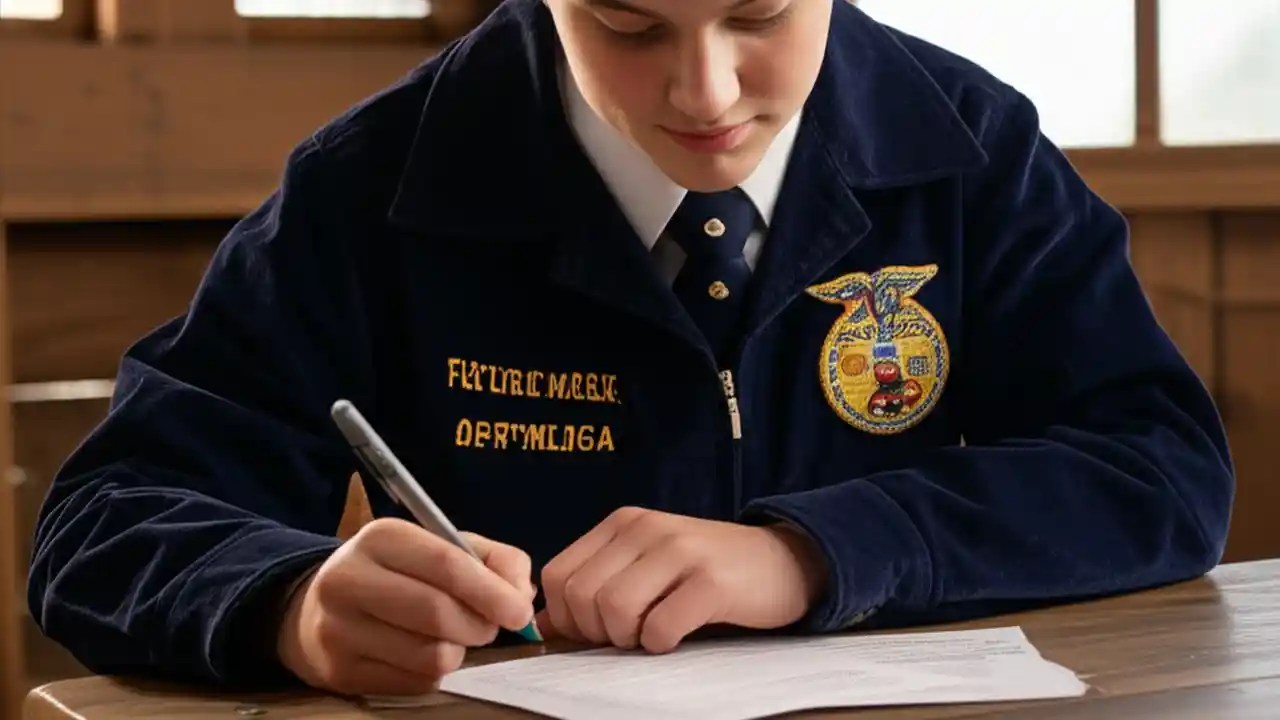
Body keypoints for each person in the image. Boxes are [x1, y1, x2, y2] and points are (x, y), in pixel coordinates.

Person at [28, 0, 1233, 699]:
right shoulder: (372, 186)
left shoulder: (970, 146)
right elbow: (109, 517)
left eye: (758, 11)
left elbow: (1156, 466)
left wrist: (809, 555)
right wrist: (288, 604)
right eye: (627, 21)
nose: (704, 89)